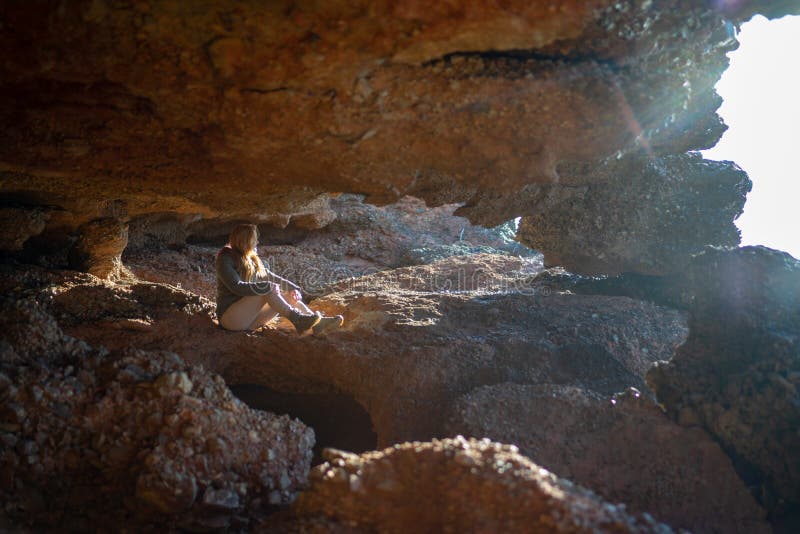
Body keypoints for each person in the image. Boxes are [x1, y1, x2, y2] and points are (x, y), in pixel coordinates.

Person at [215, 223, 344, 334]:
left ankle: (317, 325)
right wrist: (267, 286)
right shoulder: (225, 258)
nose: (257, 242)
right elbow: (236, 286)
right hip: (231, 319)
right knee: (267, 290)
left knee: (288, 296)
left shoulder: (251, 259)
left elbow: (271, 276)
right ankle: (298, 320)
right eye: (254, 239)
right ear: (245, 241)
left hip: (250, 319)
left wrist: (293, 288)